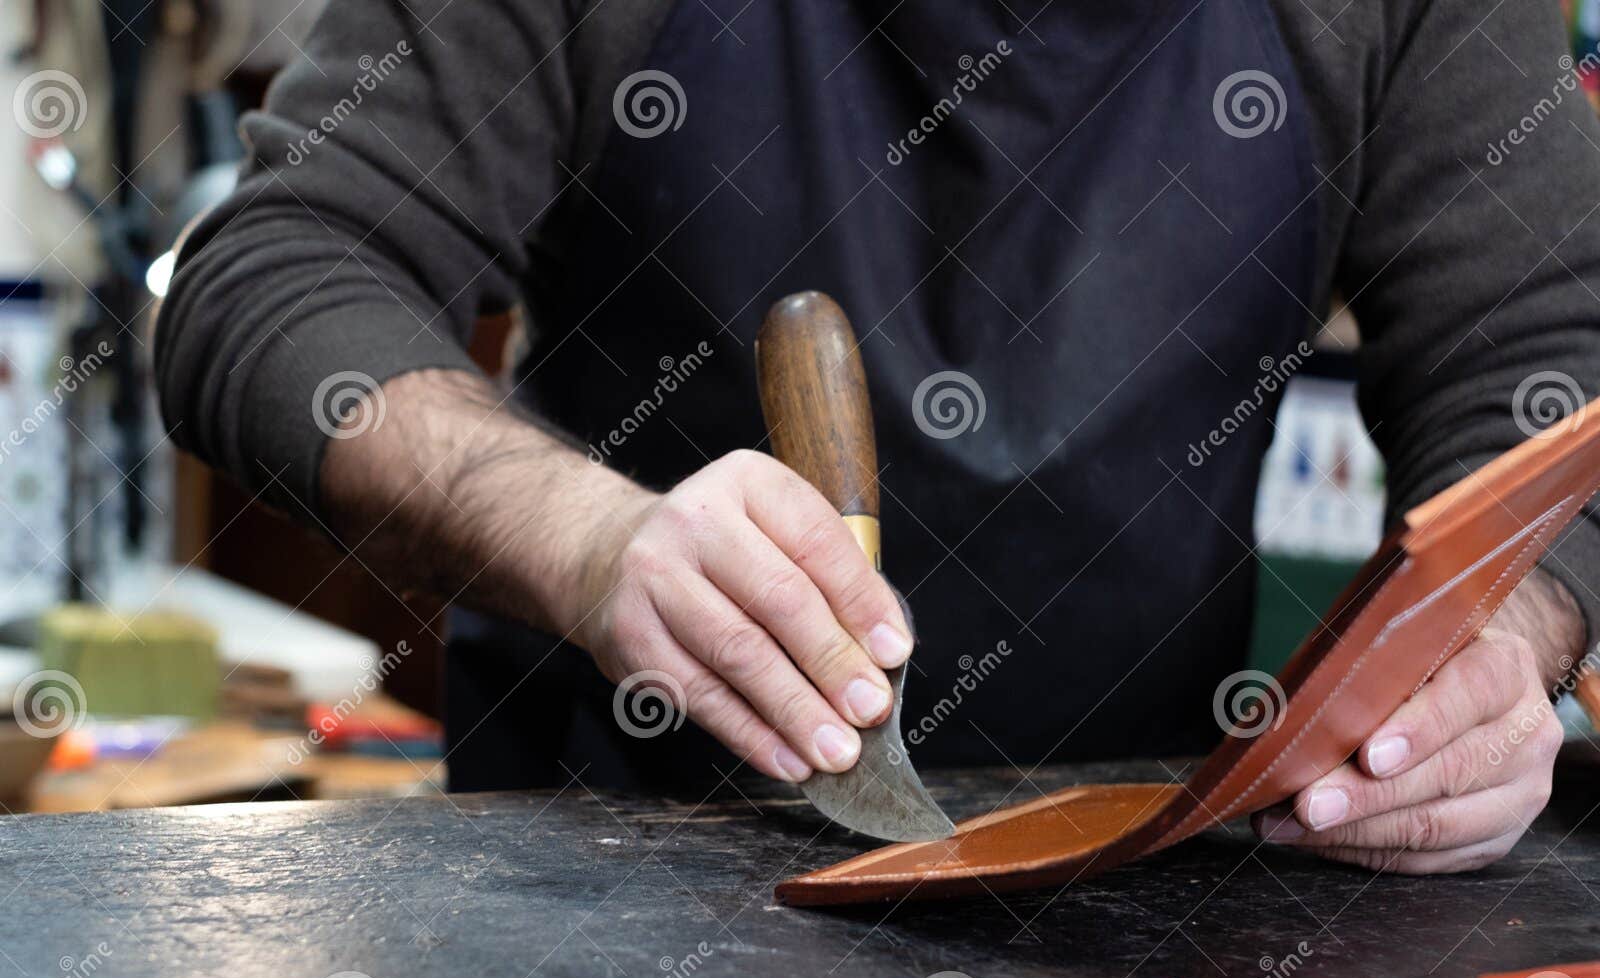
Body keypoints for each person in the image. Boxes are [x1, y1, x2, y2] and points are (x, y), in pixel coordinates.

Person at [155, 1, 1600, 875]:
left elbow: (1551, 340)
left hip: (1144, 905)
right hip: (599, 893)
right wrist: (589, 538)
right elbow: (276, 277)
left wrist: (1491, 641)